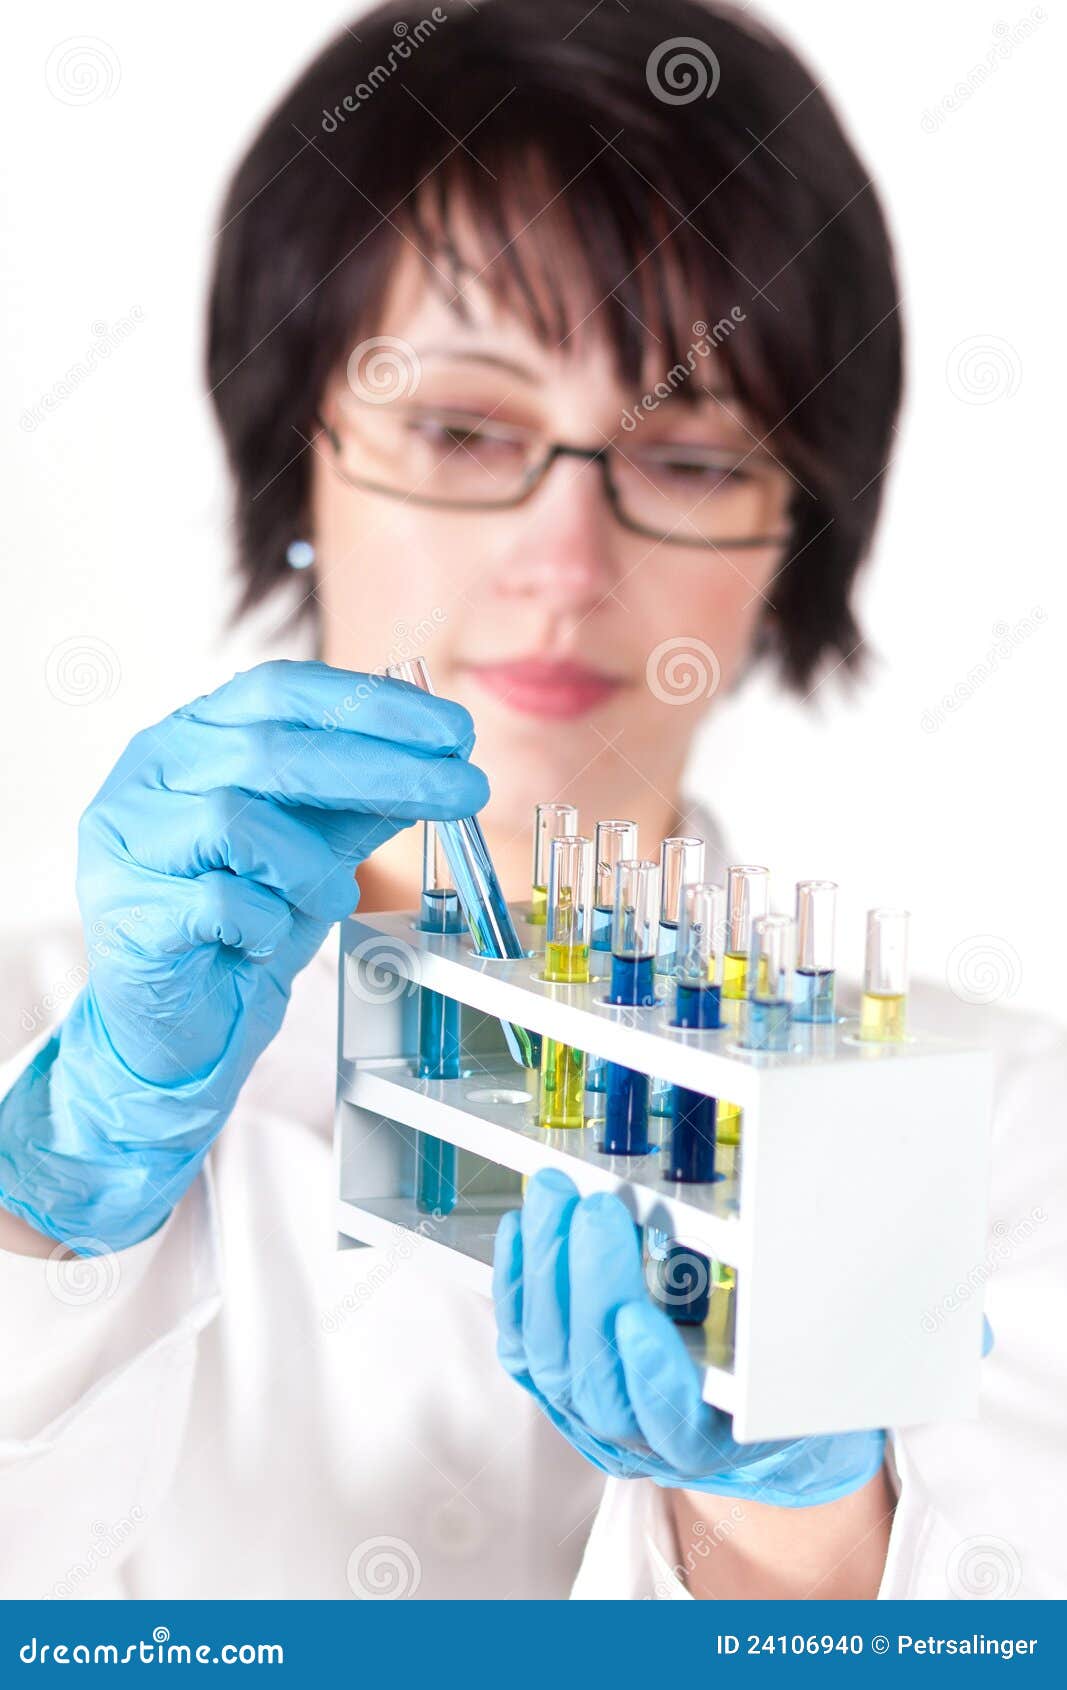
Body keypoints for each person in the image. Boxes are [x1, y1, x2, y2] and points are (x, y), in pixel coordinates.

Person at [2, 0, 1064, 1601]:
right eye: (459, 428)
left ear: (797, 539)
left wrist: (796, 1531)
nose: (565, 563)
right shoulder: (42, 1055)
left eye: (691, 456)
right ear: (301, 470)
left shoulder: (1004, 1141)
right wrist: (46, 1230)